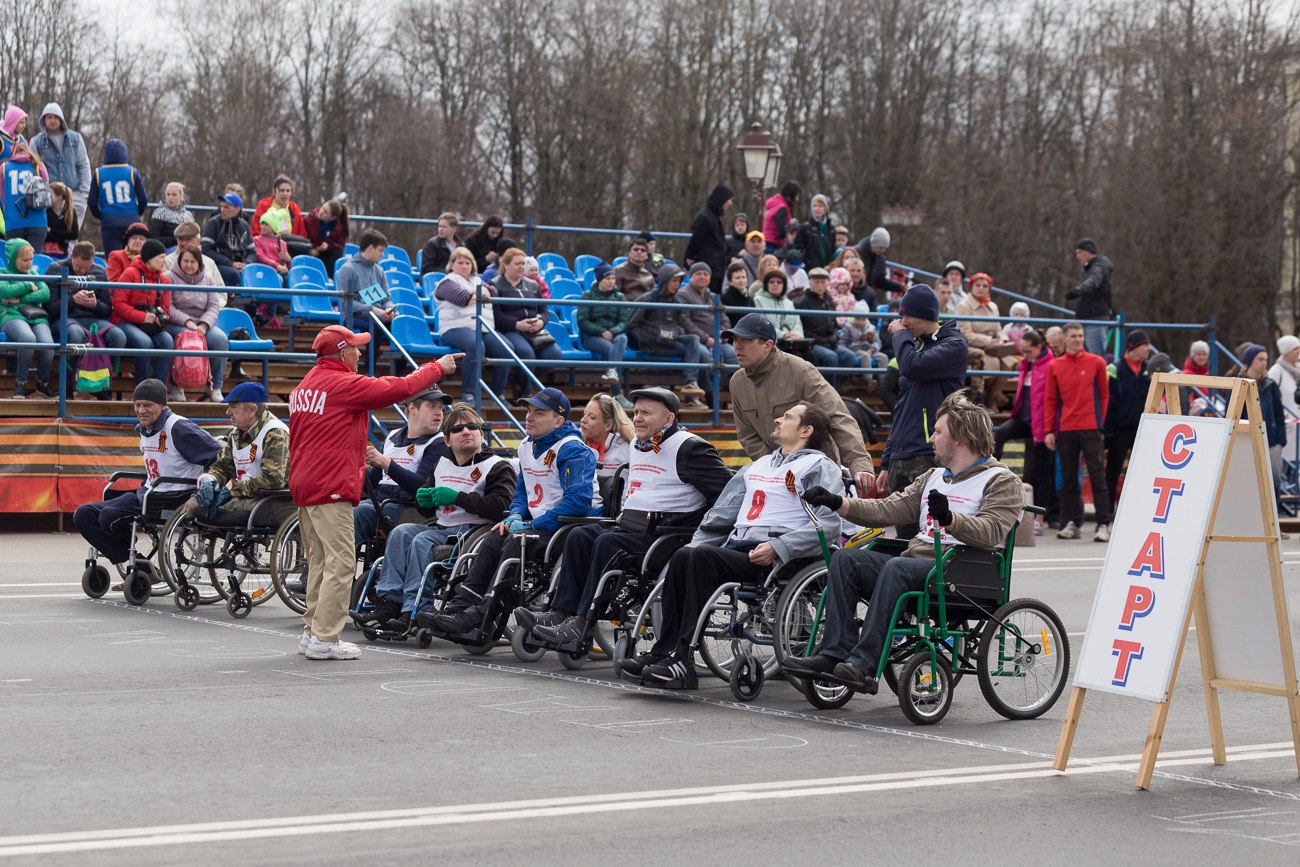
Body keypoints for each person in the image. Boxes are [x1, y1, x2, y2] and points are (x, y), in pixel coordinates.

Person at [786, 394, 1022, 693]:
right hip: (918, 565)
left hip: (961, 572)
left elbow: (992, 530)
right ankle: (833, 653)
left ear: (960, 439)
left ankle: (863, 665)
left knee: (897, 567)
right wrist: (839, 503)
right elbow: (888, 509)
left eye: (938, 432)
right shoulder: (933, 477)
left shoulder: (1001, 480)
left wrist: (950, 519)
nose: (931, 438)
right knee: (847, 559)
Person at [621, 403, 845, 688]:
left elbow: (828, 526)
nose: (778, 419)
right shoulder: (757, 466)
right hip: (741, 548)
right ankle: (662, 653)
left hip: (782, 560)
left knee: (699, 559)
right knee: (685, 555)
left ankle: (682, 658)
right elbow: (721, 514)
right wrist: (694, 546)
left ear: (806, 431)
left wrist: (780, 547)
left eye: (788, 417)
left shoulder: (818, 466)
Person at [288, 324, 460, 661]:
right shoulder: (341, 383)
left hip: (305, 483)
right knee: (340, 563)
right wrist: (437, 367)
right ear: (342, 353)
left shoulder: (306, 384)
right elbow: (399, 387)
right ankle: (325, 637)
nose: (359, 353)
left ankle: (313, 631)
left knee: (321, 561)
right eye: (355, 348)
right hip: (330, 484)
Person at [522, 386, 733, 651]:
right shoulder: (637, 443)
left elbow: (728, 493)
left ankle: (581, 624)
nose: (638, 418)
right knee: (580, 535)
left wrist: (701, 528)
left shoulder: (689, 448)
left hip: (668, 534)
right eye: (636, 412)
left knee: (607, 543)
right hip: (633, 527)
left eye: (647, 413)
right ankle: (560, 612)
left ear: (669, 419)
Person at [418, 387, 597, 636]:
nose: (529, 417)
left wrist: (534, 523)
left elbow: (578, 502)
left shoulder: (573, 449)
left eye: (539, 412)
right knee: (493, 537)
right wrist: (514, 514)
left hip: (571, 525)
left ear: (558, 420)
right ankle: (457, 609)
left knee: (516, 541)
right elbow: (523, 492)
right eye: (528, 411)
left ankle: (483, 613)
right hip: (539, 524)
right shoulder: (527, 445)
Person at [354, 402, 516, 631]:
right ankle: (391, 601)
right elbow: (429, 510)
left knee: (421, 541)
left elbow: (501, 506)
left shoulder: (498, 466)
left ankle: (417, 609)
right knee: (401, 532)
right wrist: (425, 502)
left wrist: (457, 497)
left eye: (472, 427)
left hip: (473, 530)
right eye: (458, 429)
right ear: (447, 440)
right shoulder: (442, 463)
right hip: (441, 527)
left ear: (482, 434)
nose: (466, 432)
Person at [73, 379, 220, 567]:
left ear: (162, 405)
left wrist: (206, 479)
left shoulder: (178, 427)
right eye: (137, 405)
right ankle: (137, 563)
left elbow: (217, 455)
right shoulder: (145, 428)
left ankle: (137, 567)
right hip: (150, 493)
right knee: (84, 514)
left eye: (147, 405)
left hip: (174, 497)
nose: (141, 410)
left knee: (109, 516)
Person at [724, 312, 876, 491]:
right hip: (776, 480)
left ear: (768, 345)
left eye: (746, 340)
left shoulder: (801, 371)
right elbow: (747, 435)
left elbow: (837, 416)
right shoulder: (737, 382)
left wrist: (859, 463)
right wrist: (776, 469)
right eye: (734, 339)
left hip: (818, 476)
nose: (737, 346)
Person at [876, 285, 969, 537]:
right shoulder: (914, 347)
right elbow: (902, 408)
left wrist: (899, 337)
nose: (901, 322)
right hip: (901, 455)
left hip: (930, 453)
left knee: (928, 538)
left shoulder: (953, 346)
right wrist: (887, 461)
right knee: (904, 540)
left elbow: (912, 368)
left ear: (925, 315)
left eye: (906, 316)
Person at [188, 381, 293, 525]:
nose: (228, 412)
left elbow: (273, 480)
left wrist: (233, 489)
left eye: (233, 406)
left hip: (270, 500)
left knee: (217, 507)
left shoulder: (275, 434)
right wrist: (210, 479)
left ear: (252, 410)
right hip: (245, 496)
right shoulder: (236, 434)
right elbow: (224, 467)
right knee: (195, 503)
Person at [356, 387, 451, 544]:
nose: (439, 412)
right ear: (413, 408)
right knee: (342, 510)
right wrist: (354, 466)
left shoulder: (439, 443)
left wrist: (387, 464)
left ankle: (343, 566)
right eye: (432, 406)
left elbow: (421, 486)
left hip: (409, 507)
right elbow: (373, 481)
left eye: (441, 407)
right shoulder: (393, 436)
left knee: (360, 512)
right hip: (381, 502)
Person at [1044, 321, 1112, 542]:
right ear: (1064, 339)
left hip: (1090, 427)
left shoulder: (1097, 362)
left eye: (1080, 336)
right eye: (1073, 336)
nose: (1078, 339)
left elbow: (1104, 395)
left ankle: (1103, 523)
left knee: (1097, 475)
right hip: (1066, 428)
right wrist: (1049, 430)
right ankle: (1071, 522)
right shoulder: (1056, 366)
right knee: (1069, 478)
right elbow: (1050, 400)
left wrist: (1099, 423)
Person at [993, 328, 1055, 534]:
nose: (1025, 355)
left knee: (1040, 471)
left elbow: (1052, 399)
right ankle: (991, 473)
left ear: (1039, 347)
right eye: (1023, 351)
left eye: (1028, 351)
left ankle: (1040, 518)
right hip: (1024, 419)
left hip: (1042, 425)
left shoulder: (1051, 366)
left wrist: (1049, 429)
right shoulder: (1025, 365)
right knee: (1000, 434)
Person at [434, 245, 513, 402]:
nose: (464, 266)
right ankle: (469, 393)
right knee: (476, 345)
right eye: (460, 262)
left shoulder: (478, 280)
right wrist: (482, 294)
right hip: (455, 328)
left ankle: (497, 394)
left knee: (507, 348)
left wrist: (476, 295)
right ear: (452, 265)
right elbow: (461, 298)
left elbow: (495, 293)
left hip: (483, 327)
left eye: (467, 263)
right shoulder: (446, 282)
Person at [627, 263, 711, 408]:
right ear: (665, 280)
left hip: (668, 342)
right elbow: (632, 326)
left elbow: (677, 325)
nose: (676, 285)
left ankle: (691, 384)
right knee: (696, 354)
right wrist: (648, 337)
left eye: (678, 281)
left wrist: (675, 333)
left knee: (694, 340)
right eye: (673, 281)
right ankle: (695, 396)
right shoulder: (647, 298)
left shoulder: (676, 301)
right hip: (651, 345)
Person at [491, 247, 561, 393]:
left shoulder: (533, 285)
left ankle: (517, 379)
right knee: (527, 354)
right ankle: (526, 392)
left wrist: (541, 321)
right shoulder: (495, 284)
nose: (522, 267)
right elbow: (496, 314)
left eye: (523, 264)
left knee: (554, 354)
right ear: (506, 265)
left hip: (535, 329)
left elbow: (544, 311)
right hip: (510, 329)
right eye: (518, 264)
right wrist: (517, 324)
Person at [166, 245, 228, 401]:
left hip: (202, 323)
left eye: (192, 262)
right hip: (177, 323)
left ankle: (215, 386)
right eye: (185, 261)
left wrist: (204, 325)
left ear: (199, 263)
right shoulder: (169, 277)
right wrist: (186, 322)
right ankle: (175, 385)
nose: (188, 265)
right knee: (184, 340)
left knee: (220, 340)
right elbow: (169, 306)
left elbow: (214, 305)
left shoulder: (208, 278)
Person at [43, 241, 125, 359]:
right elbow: (49, 308)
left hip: (94, 320)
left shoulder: (100, 271)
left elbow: (107, 310)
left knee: (118, 336)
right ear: (72, 256)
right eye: (80, 267)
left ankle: (107, 374)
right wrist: (73, 300)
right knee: (76, 334)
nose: (83, 271)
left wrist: (95, 304)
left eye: (87, 267)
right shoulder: (55, 269)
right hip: (64, 319)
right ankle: (72, 376)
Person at [113, 238, 175, 391]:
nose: (164, 262)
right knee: (145, 343)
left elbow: (165, 309)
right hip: (125, 322)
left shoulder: (163, 279)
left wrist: (162, 319)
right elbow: (118, 305)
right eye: (161, 257)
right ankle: (143, 390)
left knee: (167, 341)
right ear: (150, 258)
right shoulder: (130, 274)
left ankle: (158, 390)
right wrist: (143, 317)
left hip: (149, 325)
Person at [0, 239, 55, 399]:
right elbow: (4, 292)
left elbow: (45, 294)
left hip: (35, 316)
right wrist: (28, 286)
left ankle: (42, 382)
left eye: (31, 259)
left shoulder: (34, 274)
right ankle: (21, 384)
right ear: (12, 258)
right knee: (28, 338)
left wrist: (18, 298)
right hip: (11, 315)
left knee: (48, 344)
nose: (29, 264)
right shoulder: (3, 273)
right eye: (25, 260)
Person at [955, 272, 1018, 409]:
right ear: (971, 287)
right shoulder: (964, 306)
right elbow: (966, 334)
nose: (981, 288)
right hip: (973, 345)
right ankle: (992, 398)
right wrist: (989, 340)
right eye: (978, 285)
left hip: (994, 347)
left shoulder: (993, 306)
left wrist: (1002, 339)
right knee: (992, 362)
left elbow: (998, 329)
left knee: (1010, 361)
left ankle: (992, 395)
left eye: (985, 285)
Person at [1104, 330, 1152, 507]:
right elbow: (1110, 403)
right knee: (1112, 472)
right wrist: (1108, 432)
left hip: (1143, 429)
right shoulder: (1115, 368)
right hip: (1120, 430)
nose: (1148, 349)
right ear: (1133, 347)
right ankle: (1108, 512)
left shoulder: (1149, 369)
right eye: (1144, 345)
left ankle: (1138, 509)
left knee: (1143, 472)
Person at [30, 103, 91, 227]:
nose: (52, 120)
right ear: (44, 120)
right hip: (49, 198)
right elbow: (33, 171)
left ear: (61, 119)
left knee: (71, 235)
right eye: (49, 117)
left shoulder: (75, 139)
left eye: (55, 117)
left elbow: (83, 165)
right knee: (52, 237)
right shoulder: (36, 142)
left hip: (73, 196)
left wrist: (84, 193)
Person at [1239, 344, 1287, 496]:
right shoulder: (1238, 383)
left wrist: (1280, 440)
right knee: (1248, 483)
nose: (1264, 363)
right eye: (1260, 359)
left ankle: (1274, 518)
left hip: (1271, 441)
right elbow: (1232, 413)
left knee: (1274, 483)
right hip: (1247, 440)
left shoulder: (1270, 384)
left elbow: (1279, 414)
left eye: (1266, 359)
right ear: (1250, 361)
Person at [576, 262, 630, 392]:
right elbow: (582, 321)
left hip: (614, 336)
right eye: (607, 278)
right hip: (592, 337)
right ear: (599, 279)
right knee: (613, 350)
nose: (611, 282)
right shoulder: (587, 296)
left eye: (613, 278)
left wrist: (612, 332)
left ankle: (612, 372)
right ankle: (617, 394)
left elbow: (624, 321)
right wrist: (601, 332)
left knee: (622, 339)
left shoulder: (619, 297)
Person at [797, 267, 858, 381]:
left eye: (823, 282)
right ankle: (828, 391)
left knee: (850, 357)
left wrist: (835, 336)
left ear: (827, 283)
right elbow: (802, 329)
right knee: (831, 357)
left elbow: (834, 323)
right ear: (810, 283)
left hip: (830, 342)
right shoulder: (801, 303)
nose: (820, 285)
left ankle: (832, 385)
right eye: (816, 282)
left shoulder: (829, 300)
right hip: (813, 343)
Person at [87, 138, 147, 253]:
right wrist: (137, 214)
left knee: (113, 258)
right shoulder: (132, 172)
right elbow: (143, 199)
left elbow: (92, 202)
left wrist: (101, 216)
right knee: (134, 259)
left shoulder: (98, 173)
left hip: (109, 222)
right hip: (131, 221)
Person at [677, 262, 736, 377]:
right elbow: (685, 322)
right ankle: (708, 390)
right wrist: (706, 339)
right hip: (696, 342)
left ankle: (715, 388)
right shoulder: (683, 294)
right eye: (698, 273)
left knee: (734, 355)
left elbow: (725, 321)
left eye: (706, 274)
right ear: (691, 276)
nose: (702, 276)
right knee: (705, 357)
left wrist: (720, 334)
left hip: (718, 342)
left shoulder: (714, 297)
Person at [580, 392, 633, 509]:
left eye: (592, 417)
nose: (583, 420)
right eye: (584, 414)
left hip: (618, 518)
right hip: (585, 514)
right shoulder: (576, 446)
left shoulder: (629, 448)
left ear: (608, 425)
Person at [335, 228, 396, 330]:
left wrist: (389, 309)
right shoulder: (347, 269)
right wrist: (372, 309)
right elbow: (346, 304)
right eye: (380, 250)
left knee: (400, 322)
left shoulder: (379, 270)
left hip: (378, 314)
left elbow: (387, 299)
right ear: (371, 248)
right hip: (356, 315)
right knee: (375, 321)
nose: (382, 254)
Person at [1, 135, 50, 249]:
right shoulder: (38, 166)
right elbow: (46, 192)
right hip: (37, 221)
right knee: (34, 259)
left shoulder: (4, 167)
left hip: (13, 221)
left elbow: (2, 196)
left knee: (14, 260)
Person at [683, 182, 733, 293]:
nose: (730, 203)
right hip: (709, 265)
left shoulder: (714, 217)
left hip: (716, 266)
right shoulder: (706, 218)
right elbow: (695, 242)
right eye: (728, 200)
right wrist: (688, 261)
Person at [1067, 238, 1114, 357]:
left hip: (1095, 320)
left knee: (1095, 358)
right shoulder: (1091, 267)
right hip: (1087, 319)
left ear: (1089, 251)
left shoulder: (1098, 267)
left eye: (1080, 252)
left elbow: (1093, 280)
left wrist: (1080, 290)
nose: (1077, 256)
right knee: (1085, 358)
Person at [201, 193, 256, 286]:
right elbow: (206, 250)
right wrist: (231, 263)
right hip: (218, 264)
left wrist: (246, 264)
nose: (222, 210)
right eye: (221, 206)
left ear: (237, 209)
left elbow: (252, 252)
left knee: (259, 274)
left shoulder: (244, 225)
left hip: (241, 265)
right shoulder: (213, 223)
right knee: (234, 274)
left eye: (227, 207)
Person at [250, 175, 308, 254]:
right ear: (274, 191)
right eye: (282, 190)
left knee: (307, 245)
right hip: (266, 248)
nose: (285, 194)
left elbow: (302, 235)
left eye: (288, 191)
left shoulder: (295, 209)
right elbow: (255, 232)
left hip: (290, 249)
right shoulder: (263, 206)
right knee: (283, 238)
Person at [853, 227, 906, 302]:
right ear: (873, 244)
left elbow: (880, 281)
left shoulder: (880, 258)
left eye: (884, 248)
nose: (882, 250)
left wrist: (899, 286)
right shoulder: (858, 253)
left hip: (868, 294)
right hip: (855, 293)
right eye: (880, 247)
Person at [1269, 335, 1300, 457]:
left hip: (1296, 427)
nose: (1298, 351)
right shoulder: (1276, 371)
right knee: (1286, 464)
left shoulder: (1297, 371)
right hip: (1286, 427)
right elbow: (1270, 396)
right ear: (1286, 352)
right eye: (1295, 348)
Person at [166, 221, 223, 288]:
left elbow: (221, 291)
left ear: (198, 241)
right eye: (180, 239)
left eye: (188, 239)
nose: (183, 243)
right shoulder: (166, 262)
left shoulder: (209, 263)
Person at [302, 199, 349, 277]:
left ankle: (330, 279)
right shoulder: (309, 219)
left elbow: (340, 245)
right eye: (323, 208)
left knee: (338, 251)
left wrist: (328, 246)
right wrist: (312, 248)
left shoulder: (340, 228)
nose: (321, 212)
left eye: (326, 212)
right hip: (310, 251)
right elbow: (302, 237)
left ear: (332, 218)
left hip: (326, 256)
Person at [752, 269, 803, 340]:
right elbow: (762, 325)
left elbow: (797, 323)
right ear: (766, 285)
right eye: (772, 282)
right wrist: (784, 334)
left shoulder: (789, 303)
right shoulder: (758, 300)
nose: (775, 284)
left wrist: (797, 334)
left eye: (779, 282)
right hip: (769, 341)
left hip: (793, 341)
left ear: (784, 286)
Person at [148, 182, 194, 247]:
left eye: (174, 195)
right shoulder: (160, 213)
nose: (170, 197)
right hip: (165, 249)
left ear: (181, 197)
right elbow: (153, 238)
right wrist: (175, 240)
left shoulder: (188, 216)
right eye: (168, 194)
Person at [420, 212, 462, 277]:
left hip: (457, 279)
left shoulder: (461, 246)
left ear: (454, 229)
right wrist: (449, 271)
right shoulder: (432, 244)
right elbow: (426, 269)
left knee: (477, 283)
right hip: (436, 279)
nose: (440, 229)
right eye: (439, 226)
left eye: (444, 227)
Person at [762, 180, 801, 251]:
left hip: (766, 242)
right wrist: (791, 225)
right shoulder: (783, 208)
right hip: (774, 245)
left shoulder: (775, 203)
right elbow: (781, 232)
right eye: (797, 196)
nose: (797, 199)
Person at [615, 237, 655, 302]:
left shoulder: (649, 275)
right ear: (629, 253)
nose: (639, 252)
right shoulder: (619, 271)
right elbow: (615, 296)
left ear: (647, 255)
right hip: (626, 308)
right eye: (636, 249)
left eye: (643, 250)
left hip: (646, 308)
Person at [800, 193, 835, 269]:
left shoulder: (831, 228)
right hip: (811, 268)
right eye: (815, 206)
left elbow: (832, 249)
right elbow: (799, 248)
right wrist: (806, 262)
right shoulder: (806, 228)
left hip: (827, 268)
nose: (817, 208)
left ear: (825, 208)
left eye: (820, 206)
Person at [44, 181, 79, 256]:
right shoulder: (46, 211)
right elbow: (45, 235)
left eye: (50, 194)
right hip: (47, 252)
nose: (47, 196)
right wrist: (63, 238)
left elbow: (74, 234)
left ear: (59, 196)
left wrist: (52, 230)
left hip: (63, 252)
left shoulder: (70, 212)